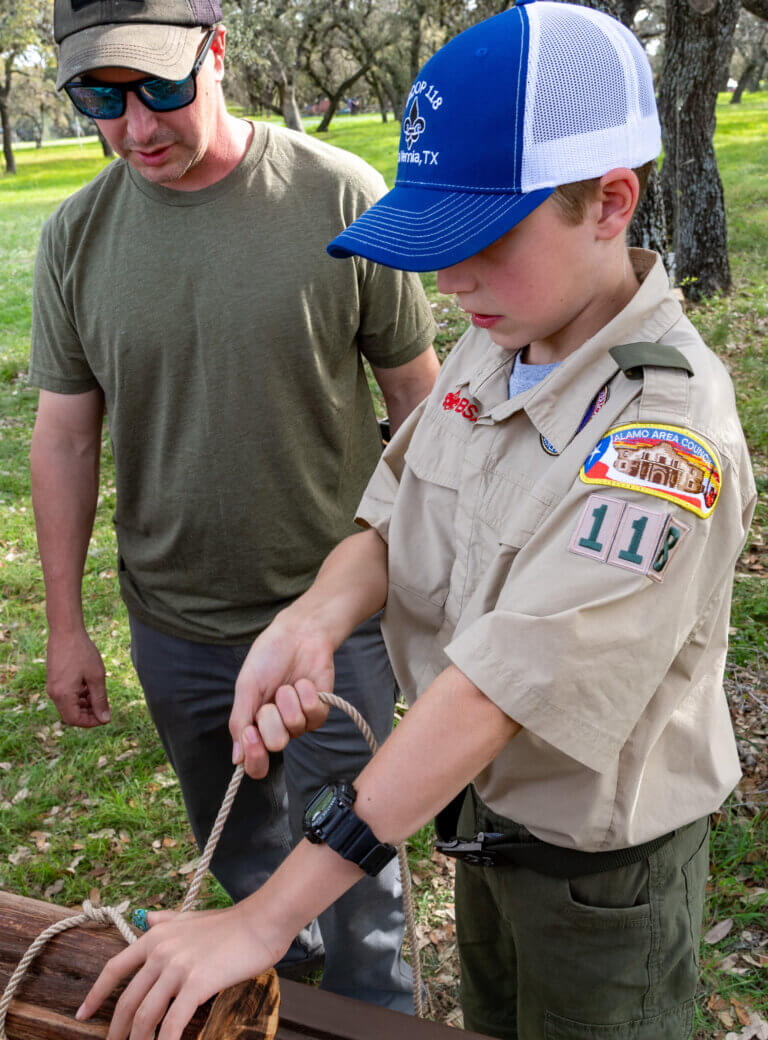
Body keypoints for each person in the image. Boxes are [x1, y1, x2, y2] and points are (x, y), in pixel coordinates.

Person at [78, 3, 756, 1039]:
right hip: (479, 820)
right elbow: (397, 513)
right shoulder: (510, 329)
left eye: (481, 237)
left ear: (610, 201)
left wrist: (266, 916)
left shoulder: (662, 437)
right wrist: (313, 613)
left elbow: (494, 690)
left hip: (599, 878)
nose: (447, 279)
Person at [29, 0, 439, 1012]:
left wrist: (429, 589)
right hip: (177, 630)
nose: (136, 128)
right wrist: (67, 624)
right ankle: (279, 1002)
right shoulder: (75, 237)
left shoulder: (338, 196)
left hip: (332, 626)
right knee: (248, 862)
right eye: (100, 99)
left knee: (358, 890)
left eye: (160, 89)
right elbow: (66, 438)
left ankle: (369, 1017)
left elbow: (420, 406)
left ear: (217, 52)